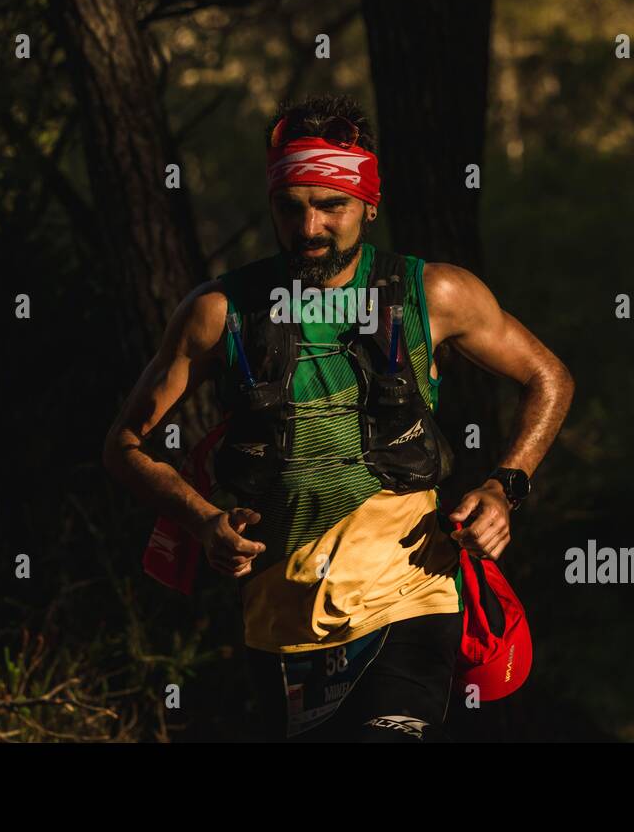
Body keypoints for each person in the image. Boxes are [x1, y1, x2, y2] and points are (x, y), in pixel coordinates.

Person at [103, 94, 574, 742]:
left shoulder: (431, 294)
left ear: (370, 204)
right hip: (281, 625)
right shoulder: (219, 312)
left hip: (410, 600)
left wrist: (505, 483)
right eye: (290, 206)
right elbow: (124, 444)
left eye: (332, 205)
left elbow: (548, 376)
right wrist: (204, 518)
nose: (310, 227)